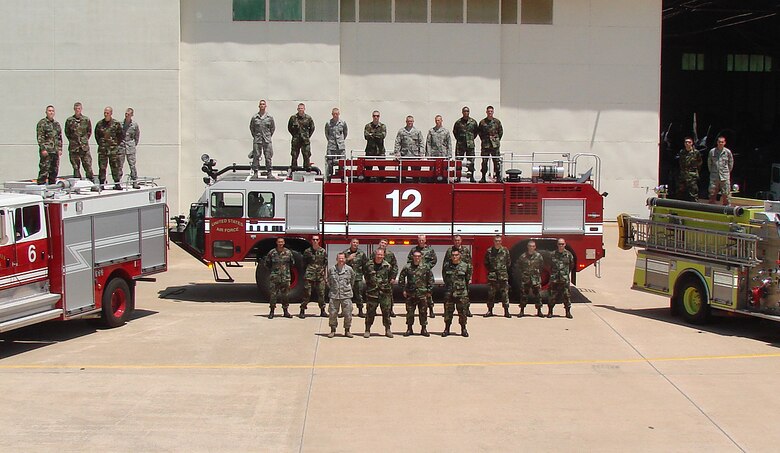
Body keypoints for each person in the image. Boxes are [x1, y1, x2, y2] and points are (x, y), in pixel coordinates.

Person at [399, 251, 433, 337]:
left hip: (422, 294)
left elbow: (431, 279)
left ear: (421, 257)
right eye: (415, 256)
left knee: (423, 312)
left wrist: (429, 291)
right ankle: (409, 329)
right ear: (412, 257)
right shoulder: (407, 267)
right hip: (411, 294)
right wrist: (403, 289)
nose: (417, 258)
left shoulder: (426, 267)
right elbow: (401, 278)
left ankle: (424, 329)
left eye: (418, 256)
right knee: (410, 313)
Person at [363, 248, 394, 338]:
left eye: (381, 255)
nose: (379, 256)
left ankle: (387, 329)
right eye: (378, 254)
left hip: (385, 293)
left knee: (386, 312)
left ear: (383, 255)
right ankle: (367, 329)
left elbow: (390, 277)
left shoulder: (387, 266)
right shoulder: (368, 265)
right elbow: (366, 276)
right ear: (375, 255)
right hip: (372, 293)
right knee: (370, 313)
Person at [442, 249, 472, 337]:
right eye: (453, 255)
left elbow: (467, 279)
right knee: (448, 313)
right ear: (451, 257)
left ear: (460, 256)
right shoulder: (447, 266)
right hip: (449, 293)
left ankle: (463, 329)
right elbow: (445, 277)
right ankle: (447, 329)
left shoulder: (465, 266)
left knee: (462, 313)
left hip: (461, 294)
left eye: (456, 255)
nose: (454, 257)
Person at [407, 234, 437, 318]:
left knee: (428, 292)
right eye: (420, 240)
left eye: (422, 240)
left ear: (425, 240)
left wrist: (426, 267)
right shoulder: (414, 250)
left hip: (426, 274)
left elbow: (434, 260)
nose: (421, 241)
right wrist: (414, 267)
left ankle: (431, 310)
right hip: (415, 274)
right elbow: (409, 260)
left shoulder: (430, 250)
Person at [94, 106, 124, 190]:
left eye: (107, 113)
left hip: (113, 150)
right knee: (102, 167)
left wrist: (115, 144)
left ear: (111, 113)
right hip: (103, 150)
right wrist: (101, 143)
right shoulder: (100, 124)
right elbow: (96, 135)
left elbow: (121, 135)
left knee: (115, 167)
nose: (106, 114)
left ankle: (117, 183)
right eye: (105, 113)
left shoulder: (116, 123)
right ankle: (102, 184)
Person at [264, 237, 295, 319]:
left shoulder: (288, 253)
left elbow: (292, 263)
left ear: (284, 243)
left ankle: (285, 311)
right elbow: (267, 264)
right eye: (279, 242)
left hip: (285, 277)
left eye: (282, 242)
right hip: (275, 278)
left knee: (285, 295)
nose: (280, 243)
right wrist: (274, 272)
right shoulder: (272, 253)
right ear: (276, 243)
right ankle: (272, 311)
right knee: (273, 295)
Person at [326, 252, 355, 338]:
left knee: (348, 314)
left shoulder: (349, 269)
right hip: (334, 295)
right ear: (336, 259)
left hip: (346, 296)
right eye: (339, 258)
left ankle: (347, 330)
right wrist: (334, 289)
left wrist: (347, 289)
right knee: (332, 314)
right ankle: (333, 330)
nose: (341, 260)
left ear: (345, 259)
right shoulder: (331, 269)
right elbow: (328, 281)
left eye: (342, 258)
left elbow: (352, 280)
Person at [443, 234, 472, 316]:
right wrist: (446, 279)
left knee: (465, 295)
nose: (457, 242)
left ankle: (466, 310)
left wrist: (468, 278)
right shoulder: (449, 251)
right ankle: (447, 311)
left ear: (461, 241)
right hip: (451, 276)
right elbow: (445, 266)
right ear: (453, 241)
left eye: (458, 240)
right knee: (448, 296)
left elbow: (469, 264)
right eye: (455, 240)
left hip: (462, 276)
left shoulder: (465, 250)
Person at [64, 102, 94, 181]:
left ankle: (91, 182)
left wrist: (83, 140)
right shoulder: (69, 120)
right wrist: (73, 141)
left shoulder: (86, 119)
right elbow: (67, 132)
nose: (77, 110)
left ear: (81, 109)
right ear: (74, 109)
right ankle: (77, 185)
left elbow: (89, 131)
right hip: (74, 147)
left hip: (84, 147)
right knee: (76, 167)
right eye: (76, 109)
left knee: (88, 166)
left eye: (79, 109)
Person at [514, 240, 545, 317]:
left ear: (535, 247)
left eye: (533, 246)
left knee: (538, 295)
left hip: (535, 279)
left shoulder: (539, 256)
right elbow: (519, 266)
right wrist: (524, 274)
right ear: (527, 247)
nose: (531, 248)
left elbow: (541, 266)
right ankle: (522, 311)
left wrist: (536, 274)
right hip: (526, 279)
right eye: (530, 246)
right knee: (524, 295)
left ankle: (539, 311)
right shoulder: (523, 256)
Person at [300, 235, 328, 318]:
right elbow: (304, 263)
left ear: (319, 241)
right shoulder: (307, 251)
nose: (315, 241)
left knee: (321, 293)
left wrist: (323, 273)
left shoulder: (323, 251)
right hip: (309, 275)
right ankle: (302, 310)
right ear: (311, 241)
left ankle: (322, 311)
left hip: (319, 275)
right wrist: (308, 271)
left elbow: (325, 263)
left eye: (317, 239)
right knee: (307, 293)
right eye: (313, 239)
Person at [483, 235, 511, 318]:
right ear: (493, 241)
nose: (497, 242)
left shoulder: (505, 250)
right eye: (496, 241)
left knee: (505, 294)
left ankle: (506, 311)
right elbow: (486, 263)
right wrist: (492, 271)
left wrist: (502, 270)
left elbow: (508, 262)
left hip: (503, 276)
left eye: (499, 241)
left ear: (501, 241)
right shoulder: (489, 251)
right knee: (491, 294)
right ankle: (490, 311)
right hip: (493, 276)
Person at [36, 105, 62, 185]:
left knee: (54, 171)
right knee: (44, 170)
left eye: (52, 111)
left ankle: (52, 187)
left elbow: (59, 137)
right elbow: (40, 137)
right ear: (46, 112)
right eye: (49, 111)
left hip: (55, 151)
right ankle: (41, 186)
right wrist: (43, 149)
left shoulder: (56, 124)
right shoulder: (42, 123)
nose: (51, 112)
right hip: (46, 151)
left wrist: (60, 149)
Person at [372, 239, 398, 316]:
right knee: (374, 295)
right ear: (379, 243)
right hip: (376, 278)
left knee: (389, 296)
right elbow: (369, 264)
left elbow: (395, 266)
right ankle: (373, 310)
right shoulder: (374, 253)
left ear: (387, 245)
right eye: (382, 243)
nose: (383, 244)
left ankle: (390, 310)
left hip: (387, 279)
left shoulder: (390, 254)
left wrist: (393, 277)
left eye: (385, 243)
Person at [249, 99, 275, 179]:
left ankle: (269, 172)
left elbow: (272, 128)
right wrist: (256, 136)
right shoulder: (255, 118)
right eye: (261, 104)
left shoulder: (269, 118)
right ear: (259, 106)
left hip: (267, 140)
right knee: (256, 156)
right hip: (257, 139)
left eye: (263, 104)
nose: (262, 105)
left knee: (268, 156)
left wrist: (268, 136)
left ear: (265, 106)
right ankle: (255, 172)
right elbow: (252, 128)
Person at [549, 238, 574, 318]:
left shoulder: (568, 254)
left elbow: (571, 265)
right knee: (552, 296)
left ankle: (568, 312)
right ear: (557, 245)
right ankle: (550, 312)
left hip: (564, 279)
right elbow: (549, 265)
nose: (561, 245)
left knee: (566, 296)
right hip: (554, 279)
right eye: (559, 244)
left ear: (565, 244)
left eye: (562, 244)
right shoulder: (552, 254)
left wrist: (565, 273)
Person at [477, 106, 503, 183]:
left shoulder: (497, 122)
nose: (490, 113)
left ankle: (498, 177)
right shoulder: (482, 122)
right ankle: (483, 177)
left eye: (491, 111)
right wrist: (484, 140)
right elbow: (479, 133)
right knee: (484, 161)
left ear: (493, 112)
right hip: (485, 145)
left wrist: (496, 140)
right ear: (486, 112)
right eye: (488, 111)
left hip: (495, 146)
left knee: (496, 161)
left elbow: (500, 132)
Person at [343, 238, 368, 317]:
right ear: (350, 243)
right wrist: (348, 259)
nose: (355, 244)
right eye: (353, 242)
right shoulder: (345, 253)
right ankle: (344, 311)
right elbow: (340, 262)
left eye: (357, 243)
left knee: (359, 295)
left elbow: (365, 265)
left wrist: (366, 276)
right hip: (347, 278)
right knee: (345, 295)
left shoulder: (361, 253)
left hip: (358, 277)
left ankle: (360, 311)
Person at [452, 106, 478, 182]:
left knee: (471, 161)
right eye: (464, 111)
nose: (466, 113)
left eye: (467, 111)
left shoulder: (473, 122)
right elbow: (455, 132)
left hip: (470, 145)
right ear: (462, 112)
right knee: (459, 161)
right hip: (460, 144)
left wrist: (470, 139)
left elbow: (476, 132)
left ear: (469, 112)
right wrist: (460, 139)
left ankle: (471, 176)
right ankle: (458, 177)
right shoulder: (458, 122)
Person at [287, 103, 315, 170]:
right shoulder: (293, 118)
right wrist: (294, 135)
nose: (300, 110)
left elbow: (312, 128)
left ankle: (307, 169)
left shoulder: (308, 118)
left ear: (304, 109)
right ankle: (294, 170)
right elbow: (289, 128)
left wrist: (307, 136)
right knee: (294, 156)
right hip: (296, 140)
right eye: (299, 108)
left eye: (302, 108)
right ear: (297, 109)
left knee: (306, 155)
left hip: (305, 141)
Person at [707, 135, 734, 206]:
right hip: (714, 177)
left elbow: (730, 164)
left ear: (725, 143)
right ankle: (711, 210)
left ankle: (727, 210)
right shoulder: (712, 152)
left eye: (722, 142)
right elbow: (709, 164)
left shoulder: (728, 152)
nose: (720, 143)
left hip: (724, 177)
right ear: (717, 142)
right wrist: (713, 172)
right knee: (712, 194)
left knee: (726, 195)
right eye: (719, 142)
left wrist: (727, 172)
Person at [324, 107, 348, 179]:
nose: (335, 115)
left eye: (337, 114)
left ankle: (342, 177)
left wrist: (341, 141)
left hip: (340, 146)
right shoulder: (328, 123)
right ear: (332, 114)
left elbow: (345, 133)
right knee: (330, 162)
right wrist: (331, 141)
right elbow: (326, 133)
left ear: (339, 114)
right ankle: (329, 177)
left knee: (341, 162)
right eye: (334, 114)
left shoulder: (343, 123)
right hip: (331, 146)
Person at [119, 108, 140, 187]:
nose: (127, 115)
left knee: (132, 165)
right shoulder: (120, 124)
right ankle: (118, 182)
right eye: (126, 114)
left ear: (132, 115)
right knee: (120, 165)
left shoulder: (134, 125)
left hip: (130, 147)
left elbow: (137, 136)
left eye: (128, 114)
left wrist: (133, 144)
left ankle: (134, 181)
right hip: (121, 146)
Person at [677, 136, 702, 202]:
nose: (687, 143)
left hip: (692, 176)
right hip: (683, 175)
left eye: (689, 142)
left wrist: (694, 172)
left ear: (692, 143)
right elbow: (680, 163)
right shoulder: (682, 152)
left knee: (693, 193)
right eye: (686, 142)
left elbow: (699, 163)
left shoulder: (696, 152)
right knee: (681, 192)